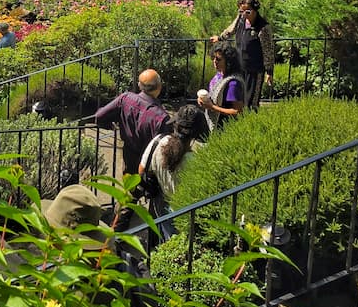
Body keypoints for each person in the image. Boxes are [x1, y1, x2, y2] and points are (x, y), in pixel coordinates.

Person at [138, 105, 207, 239]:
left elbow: (141, 171)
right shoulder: (197, 159)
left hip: (163, 204)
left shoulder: (158, 142)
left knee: (166, 240)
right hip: (185, 213)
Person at [93, 69, 171, 177]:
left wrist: (112, 126)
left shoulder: (125, 98)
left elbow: (99, 116)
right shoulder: (161, 117)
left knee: (128, 190)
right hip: (149, 169)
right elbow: (165, 152)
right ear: (159, 87)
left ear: (139, 85)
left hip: (128, 158)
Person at [213, 0, 274, 109]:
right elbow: (231, 29)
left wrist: (269, 72)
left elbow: (268, 51)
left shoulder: (263, 27)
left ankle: (250, 123)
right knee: (238, 100)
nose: (244, 14)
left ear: (255, 10)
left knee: (251, 103)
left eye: (248, 11)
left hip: (255, 70)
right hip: (240, 68)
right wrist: (220, 38)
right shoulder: (241, 20)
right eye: (241, 11)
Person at [199, 44, 245, 129]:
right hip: (213, 123)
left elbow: (237, 112)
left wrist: (212, 107)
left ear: (228, 62)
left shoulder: (233, 83)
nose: (214, 61)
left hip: (225, 128)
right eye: (213, 58)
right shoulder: (219, 75)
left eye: (218, 59)